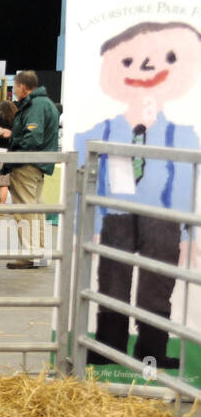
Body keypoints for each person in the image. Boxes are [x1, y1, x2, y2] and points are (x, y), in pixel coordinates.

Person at [74, 21, 201, 368]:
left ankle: (151, 350)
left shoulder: (184, 135)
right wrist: (90, 222)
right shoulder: (98, 131)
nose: (145, 68)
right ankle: (108, 346)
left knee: (156, 283)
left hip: (164, 216)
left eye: (166, 58)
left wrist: (187, 232)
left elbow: (186, 181)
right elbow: (86, 175)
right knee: (111, 279)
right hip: (114, 212)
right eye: (127, 61)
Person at [0, 70, 59, 268]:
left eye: (15, 87)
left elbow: (33, 137)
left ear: (23, 86)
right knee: (35, 210)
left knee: (25, 211)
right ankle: (39, 253)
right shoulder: (45, 103)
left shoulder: (34, 105)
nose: (14, 91)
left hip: (26, 164)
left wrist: (15, 154)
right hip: (38, 164)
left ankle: (31, 254)